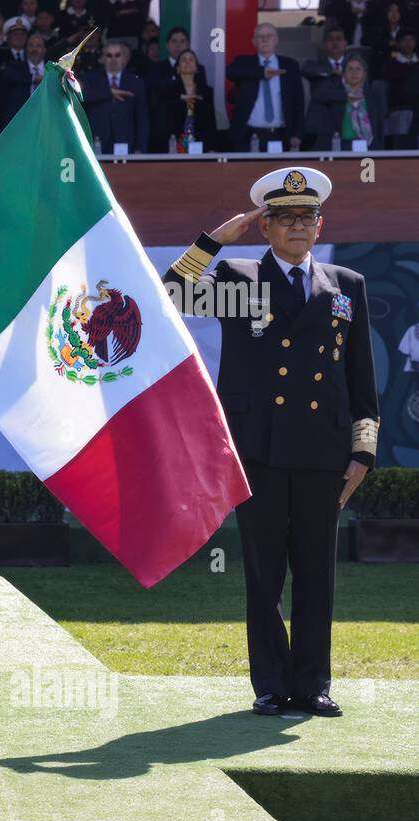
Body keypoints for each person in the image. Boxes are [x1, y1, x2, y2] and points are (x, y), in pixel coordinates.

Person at [161, 166, 379, 718]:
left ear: (321, 223)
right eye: (285, 218)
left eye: (307, 217)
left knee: (316, 573)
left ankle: (312, 684)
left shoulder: (344, 285)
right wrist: (215, 239)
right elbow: (170, 293)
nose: (298, 226)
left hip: (323, 453)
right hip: (256, 451)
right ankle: (271, 685)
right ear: (266, 228)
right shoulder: (239, 280)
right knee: (264, 574)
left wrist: (363, 450)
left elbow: (360, 378)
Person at [226, 21, 304, 152]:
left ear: (276, 40)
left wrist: (298, 133)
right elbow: (230, 72)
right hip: (248, 135)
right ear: (254, 42)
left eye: (269, 35)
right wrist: (261, 72)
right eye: (260, 36)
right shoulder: (244, 62)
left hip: (280, 134)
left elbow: (299, 102)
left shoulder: (289, 65)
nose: (265, 39)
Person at [81, 38, 149, 153]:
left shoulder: (135, 82)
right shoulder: (90, 78)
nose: (113, 59)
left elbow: (142, 118)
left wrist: (140, 148)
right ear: (102, 58)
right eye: (109, 55)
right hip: (97, 142)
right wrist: (108, 92)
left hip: (126, 143)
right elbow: (83, 97)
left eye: (117, 55)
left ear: (123, 58)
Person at [148, 47, 215, 153]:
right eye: (183, 60)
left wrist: (211, 147)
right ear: (178, 68)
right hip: (173, 142)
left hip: (199, 142)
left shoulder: (206, 91)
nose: (187, 62)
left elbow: (210, 121)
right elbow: (161, 111)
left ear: (197, 68)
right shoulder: (168, 88)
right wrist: (180, 99)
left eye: (191, 60)